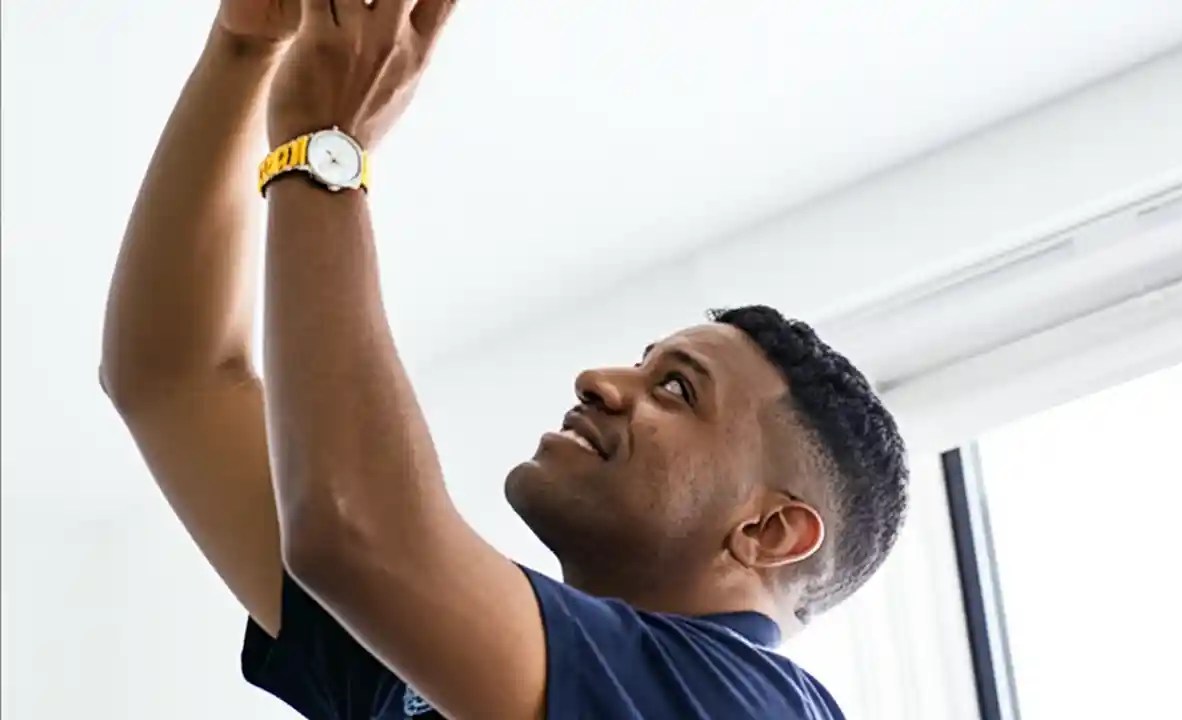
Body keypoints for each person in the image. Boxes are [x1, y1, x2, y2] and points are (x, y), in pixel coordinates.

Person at [100, 1, 908, 718]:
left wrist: (325, 147)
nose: (602, 381)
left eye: (676, 389)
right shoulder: (433, 653)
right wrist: (248, 48)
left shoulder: (754, 704)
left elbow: (353, 531)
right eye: (644, 364)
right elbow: (175, 377)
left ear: (770, 531)